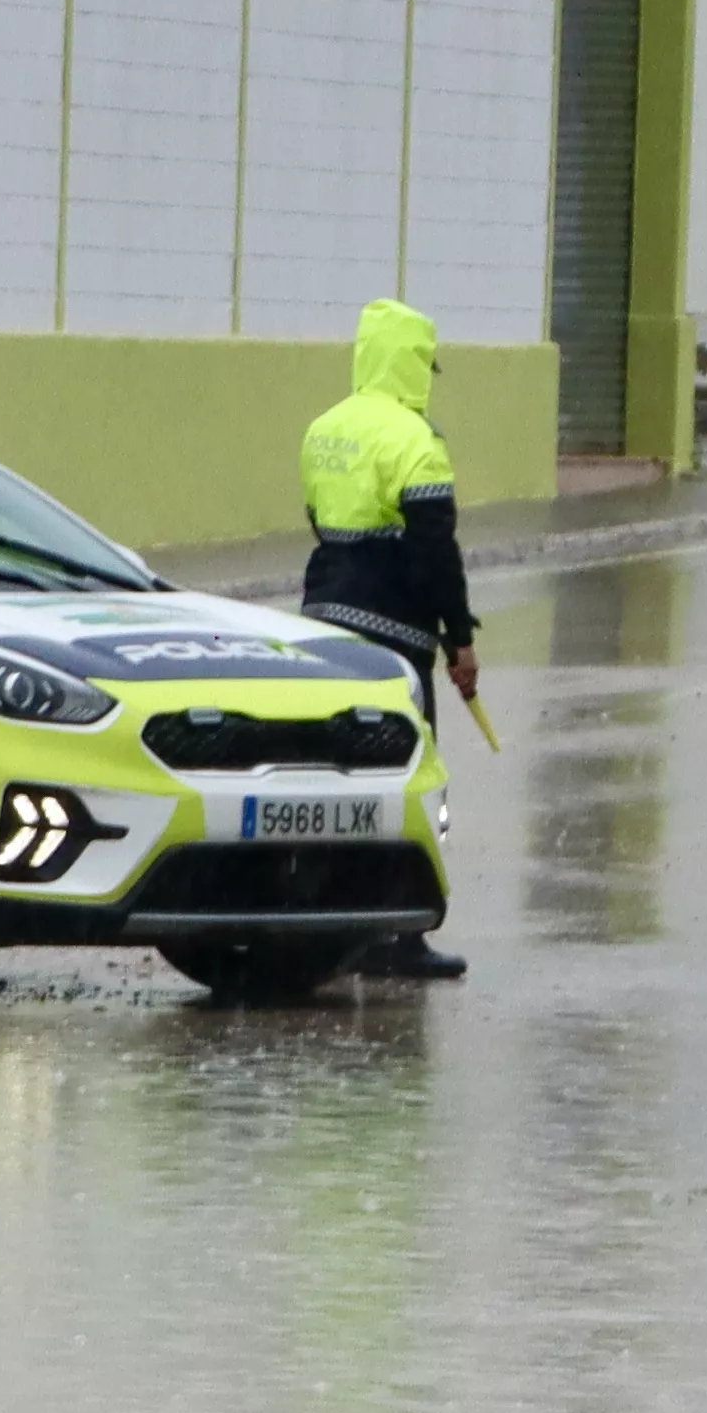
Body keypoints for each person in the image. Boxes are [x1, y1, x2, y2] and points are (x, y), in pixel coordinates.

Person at [296, 296, 479, 978]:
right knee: (410, 780)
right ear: (412, 363)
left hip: (323, 624)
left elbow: (320, 517)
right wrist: (460, 640)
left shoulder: (325, 428)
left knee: (337, 774)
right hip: (394, 637)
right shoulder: (414, 441)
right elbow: (438, 554)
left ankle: (332, 921)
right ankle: (400, 933)